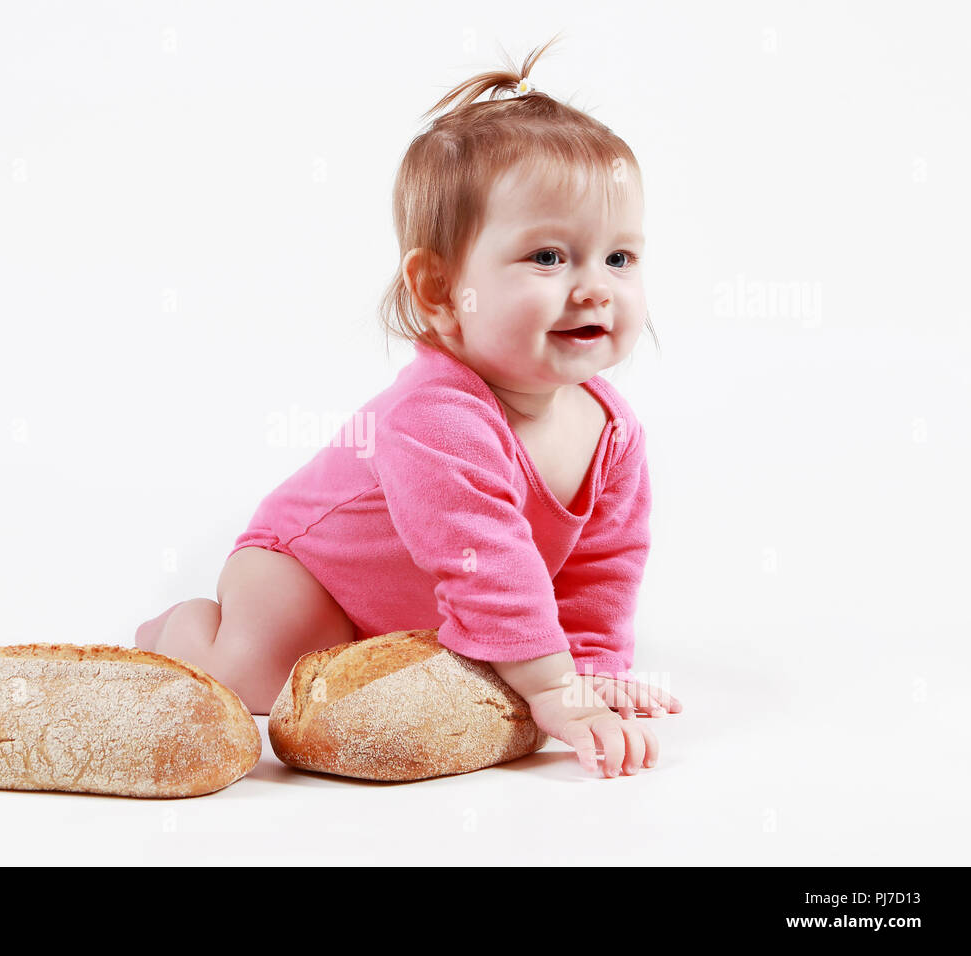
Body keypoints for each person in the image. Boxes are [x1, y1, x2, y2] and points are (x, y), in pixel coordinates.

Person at [136, 37, 682, 779]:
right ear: (438, 291)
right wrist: (554, 689)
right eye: (548, 257)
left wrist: (592, 667)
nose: (594, 287)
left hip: (417, 606)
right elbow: (485, 557)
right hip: (305, 572)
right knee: (258, 676)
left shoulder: (610, 432)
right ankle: (177, 630)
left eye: (619, 258)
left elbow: (599, 568)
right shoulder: (437, 418)